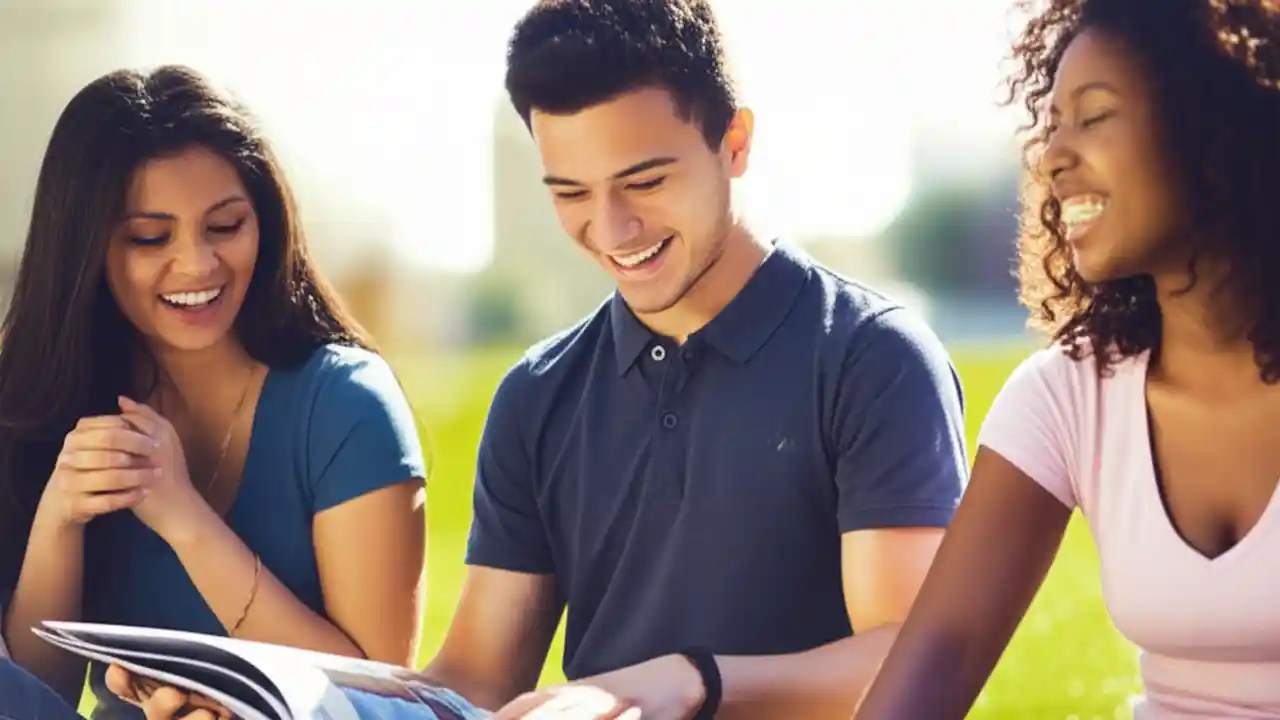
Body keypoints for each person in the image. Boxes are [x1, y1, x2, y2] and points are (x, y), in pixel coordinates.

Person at [114, 1, 967, 718]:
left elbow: (915, 661)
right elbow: (475, 683)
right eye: (571, 193)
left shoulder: (870, 358)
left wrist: (691, 682)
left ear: (734, 142)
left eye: (645, 182)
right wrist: (255, 696)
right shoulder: (540, 394)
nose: (613, 229)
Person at [854, 0, 1280, 718]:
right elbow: (944, 649)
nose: (1053, 157)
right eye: (1051, 126)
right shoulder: (1070, 395)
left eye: (1095, 115)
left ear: (1216, 129)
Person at [0, 65, 429, 718]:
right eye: (150, 237)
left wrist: (185, 519)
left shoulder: (346, 404)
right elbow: (34, 697)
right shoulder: (44, 401)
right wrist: (60, 516)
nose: (198, 263)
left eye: (225, 227)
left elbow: (376, 696)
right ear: (85, 249)